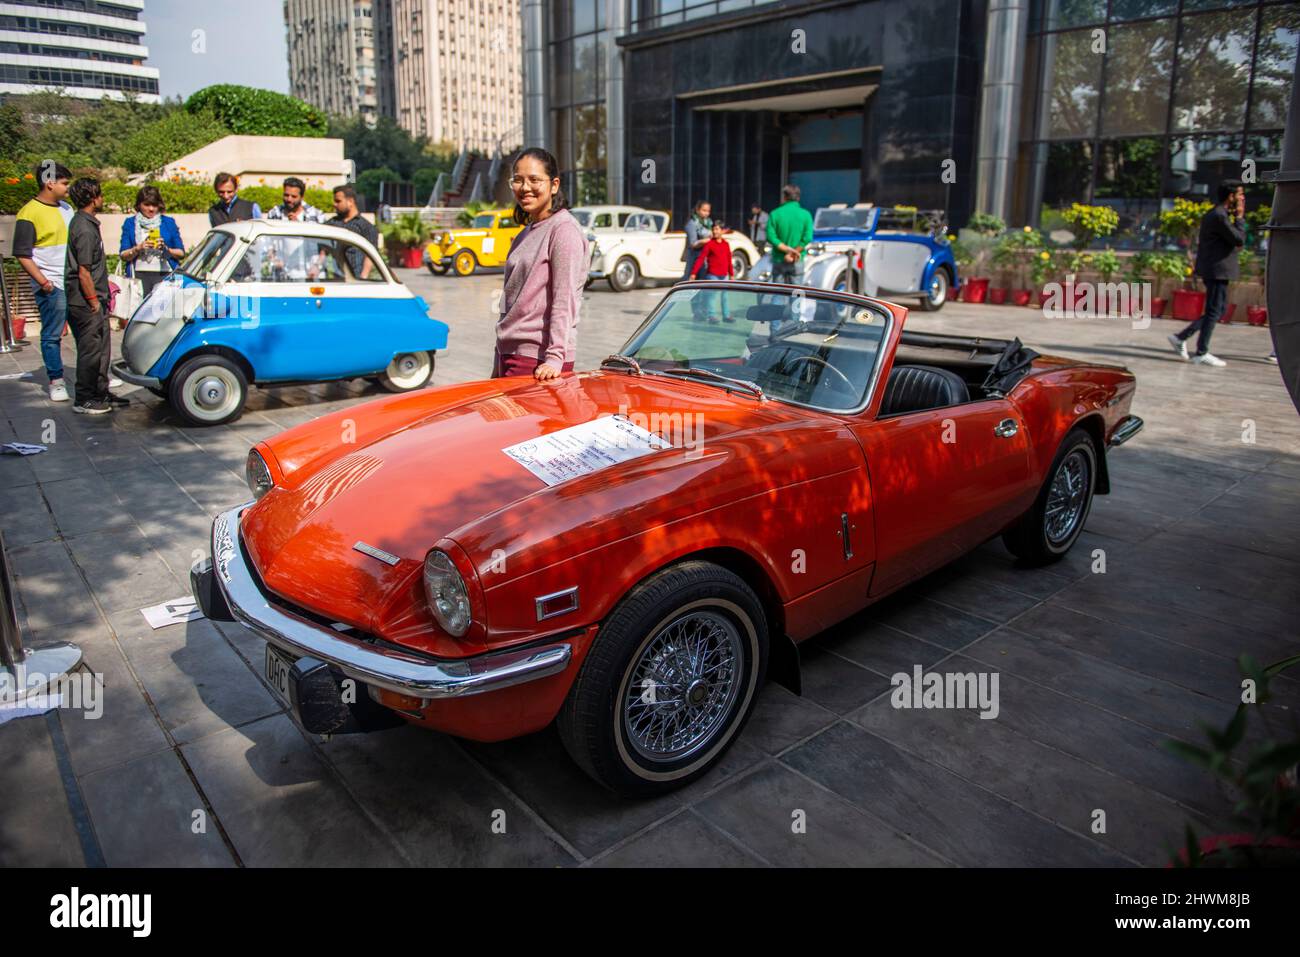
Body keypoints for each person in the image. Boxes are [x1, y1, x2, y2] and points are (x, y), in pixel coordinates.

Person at [493, 147, 587, 380]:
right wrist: (499, 356)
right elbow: (509, 299)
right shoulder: (525, 233)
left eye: (534, 180)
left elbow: (564, 299)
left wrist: (555, 358)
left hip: (539, 360)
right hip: (510, 353)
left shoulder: (563, 230)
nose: (525, 188)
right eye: (518, 180)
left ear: (554, 185)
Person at [1168, 180, 1245, 368]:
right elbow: (1239, 239)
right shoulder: (1219, 216)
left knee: (1217, 310)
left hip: (1217, 269)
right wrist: (1241, 217)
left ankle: (1183, 338)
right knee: (1214, 310)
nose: (1243, 198)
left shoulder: (1221, 215)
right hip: (1216, 270)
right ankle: (1199, 350)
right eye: (1240, 194)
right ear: (1231, 196)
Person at [13, 161, 73, 401]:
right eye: (64, 183)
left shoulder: (67, 208)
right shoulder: (28, 213)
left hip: (72, 281)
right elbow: (22, 254)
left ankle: (91, 377)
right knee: (52, 335)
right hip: (51, 285)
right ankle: (56, 380)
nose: (68, 187)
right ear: (50, 183)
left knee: (85, 331)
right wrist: (44, 282)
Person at [65, 178, 118, 415]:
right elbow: (83, 271)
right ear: (93, 197)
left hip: (95, 298)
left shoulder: (86, 223)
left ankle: (100, 392)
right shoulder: (84, 229)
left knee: (101, 349)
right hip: (87, 302)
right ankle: (84, 398)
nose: (102, 198)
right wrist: (94, 301)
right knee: (90, 350)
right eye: (101, 194)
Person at [119, 185, 185, 299]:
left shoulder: (168, 222)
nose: (151, 209)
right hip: (138, 276)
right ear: (139, 205)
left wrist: (166, 249)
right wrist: (138, 248)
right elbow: (123, 254)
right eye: (147, 204)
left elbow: (181, 253)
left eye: (154, 205)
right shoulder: (130, 223)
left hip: (165, 275)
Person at [327, 184, 380, 278]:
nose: (334, 204)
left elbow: (371, 254)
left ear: (350, 201)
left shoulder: (365, 226)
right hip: (336, 278)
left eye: (338, 201)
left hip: (356, 278)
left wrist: (363, 277)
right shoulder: (332, 223)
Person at [766, 184, 814, 284]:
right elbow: (807, 237)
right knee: (797, 294)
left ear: (784, 197)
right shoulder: (806, 215)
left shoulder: (775, 214)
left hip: (779, 258)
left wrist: (787, 250)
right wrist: (794, 252)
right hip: (797, 258)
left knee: (778, 293)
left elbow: (770, 237)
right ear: (798, 198)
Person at [689, 221, 735, 322]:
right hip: (713, 275)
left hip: (724, 276)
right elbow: (701, 258)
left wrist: (731, 274)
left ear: (722, 231)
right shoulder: (709, 244)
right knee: (711, 297)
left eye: (717, 229)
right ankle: (711, 316)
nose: (714, 231)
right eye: (713, 229)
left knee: (725, 297)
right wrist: (693, 273)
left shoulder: (726, 244)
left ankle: (726, 316)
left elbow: (729, 260)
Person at [681, 199, 713, 281]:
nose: (706, 213)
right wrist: (705, 241)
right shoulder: (692, 223)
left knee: (704, 280)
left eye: (708, 211)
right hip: (694, 255)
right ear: (697, 210)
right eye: (704, 210)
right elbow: (693, 244)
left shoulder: (709, 222)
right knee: (690, 279)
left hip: (705, 256)